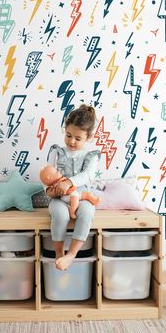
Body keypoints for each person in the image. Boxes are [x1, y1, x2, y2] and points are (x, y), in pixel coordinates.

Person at [45, 104, 100, 270]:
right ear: (64, 130)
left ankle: (71, 254)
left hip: (81, 195)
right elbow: (47, 174)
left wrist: (68, 182)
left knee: (87, 213)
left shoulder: (90, 156)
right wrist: (49, 190)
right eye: (68, 135)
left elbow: (87, 176)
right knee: (60, 215)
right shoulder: (56, 152)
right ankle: (59, 253)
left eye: (78, 138)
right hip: (59, 198)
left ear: (88, 137)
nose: (71, 141)